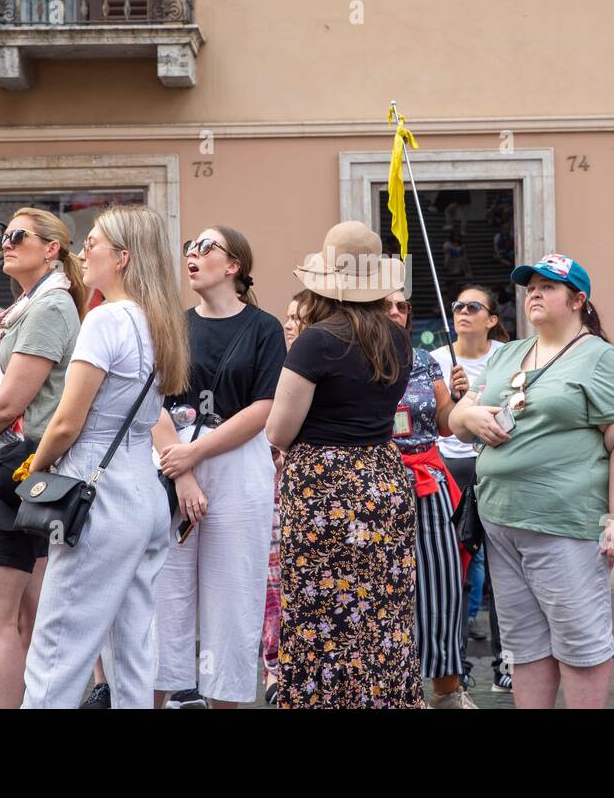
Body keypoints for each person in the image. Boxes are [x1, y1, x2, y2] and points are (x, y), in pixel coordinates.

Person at [448, 254, 614, 709]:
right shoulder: (510, 352)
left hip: (564, 523)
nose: (534, 292)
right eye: (530, 285)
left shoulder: (598, 356)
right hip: (501, 521)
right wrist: (469, 414)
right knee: (526, 646)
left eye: (548, 286)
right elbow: (457, 420)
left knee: (579, 644)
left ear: (578, 299)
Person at [21, 204, 189, 709]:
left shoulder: (105, 320)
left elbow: (68, 422)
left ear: (122, 257)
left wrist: (37, 465)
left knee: (59, 643)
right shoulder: (160, 323)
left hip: (98, 484)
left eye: (91, 241)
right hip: (144, 488)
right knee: (132, 644)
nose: (81, 251)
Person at [265, 221, 417, 708]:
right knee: (383, 613)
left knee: (319, 615)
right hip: (384, 479)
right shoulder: (399, 339)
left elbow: (278, 431)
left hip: (323, 489)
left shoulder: (316, 340)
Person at [152, 227, 285, 709]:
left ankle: (224, 698)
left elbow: (264, 407)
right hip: (172, 462)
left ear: (233, 266)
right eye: (189, 247)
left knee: (233, 593)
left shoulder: (264, 328)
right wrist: (182, 470)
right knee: (165, 594)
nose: (193, 255)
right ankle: (158, 693)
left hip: (238, 462)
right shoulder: (173, 325)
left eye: (206, 248)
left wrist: (197, 456)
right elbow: (153, 404)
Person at [0, 208, 86, 708]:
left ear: (51, 249)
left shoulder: (48, 309)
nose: (6, 244)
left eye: (18, 236)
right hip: (24, 473)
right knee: (20, 614)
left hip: (23, 472)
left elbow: (11, 404)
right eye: (3, 236)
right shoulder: (30, 306)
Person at [385, 290, 475, 708]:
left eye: (403, 305)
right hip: (377, 484)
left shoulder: (423, 361)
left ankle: (446, 693)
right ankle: (397, 691)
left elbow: (446, 424)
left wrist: (459, 400)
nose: (396, 311)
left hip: (428, 479)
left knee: (441, 586)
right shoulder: (351, 357)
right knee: (386, 590)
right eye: (386, 304)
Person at [432, 285, 509, 691]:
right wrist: (451, 398)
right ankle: (454, 668)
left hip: (491, 466)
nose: (462, 311)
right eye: (457, 305)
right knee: (454, 574)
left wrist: (473, 397)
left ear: (492, 319)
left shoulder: (505, 356)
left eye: (473, 306)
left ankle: (507, 665)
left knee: (502, 571)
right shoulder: (437, 359)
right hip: (447, 469)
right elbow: (431, 417)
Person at [261, 289, 308, 705]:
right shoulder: (272, 366)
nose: (290, 323)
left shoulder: (317, 367)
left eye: (300, 317)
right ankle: (273, 670)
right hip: (273, 484)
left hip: (307, 486)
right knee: (274, 581)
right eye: (289, 316)